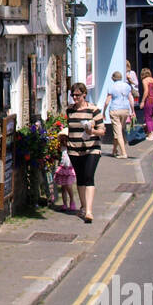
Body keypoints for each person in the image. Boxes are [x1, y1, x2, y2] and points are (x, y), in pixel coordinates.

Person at [65, 82, 106, 224]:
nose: (75, 98)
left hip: (92, 148)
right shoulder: (69, 110)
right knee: (81, 178)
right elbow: (68, 128)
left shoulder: (93, 110)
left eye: (78, 95)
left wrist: (92, 131)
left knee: (89, 176)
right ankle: (83, 205)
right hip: (74, 149)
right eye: (73, 95)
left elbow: (102, 130)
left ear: (84, 95)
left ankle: (89, 211)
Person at [102, 70, 135, 159]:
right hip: (125, 110)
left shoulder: (111, 87)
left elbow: (107, 101)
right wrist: (133, 111)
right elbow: (131, 98)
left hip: (115, 110)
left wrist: (103, 111)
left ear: (113, 78)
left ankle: (124, 153)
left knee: (118, 132)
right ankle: (114, 150)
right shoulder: (127, 86)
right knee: (119, 130)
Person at [139, 67, 153, 135]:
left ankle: (150, 134)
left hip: (149, 100)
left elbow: (146, 91)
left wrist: (142, 101)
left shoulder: (145, 80)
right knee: (150, 118)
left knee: (147, 118)